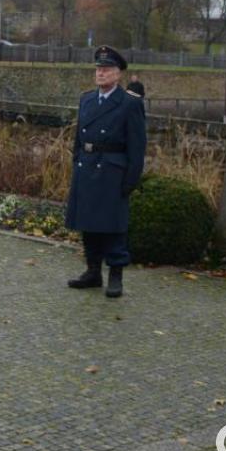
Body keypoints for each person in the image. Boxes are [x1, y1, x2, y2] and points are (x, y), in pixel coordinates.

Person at [65, 46, 146, 298]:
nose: (100, 73)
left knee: (113, 227)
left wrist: (130, 180)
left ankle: (115, 275)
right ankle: (92, 272)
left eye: (107, 69)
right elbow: (79, 137)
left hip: (112, 172)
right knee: (89, 224)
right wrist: (77, 161)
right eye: (98, 69)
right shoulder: (86, 99)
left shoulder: (129, 103)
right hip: (87, 167)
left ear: (118, 74)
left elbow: (137, 146)